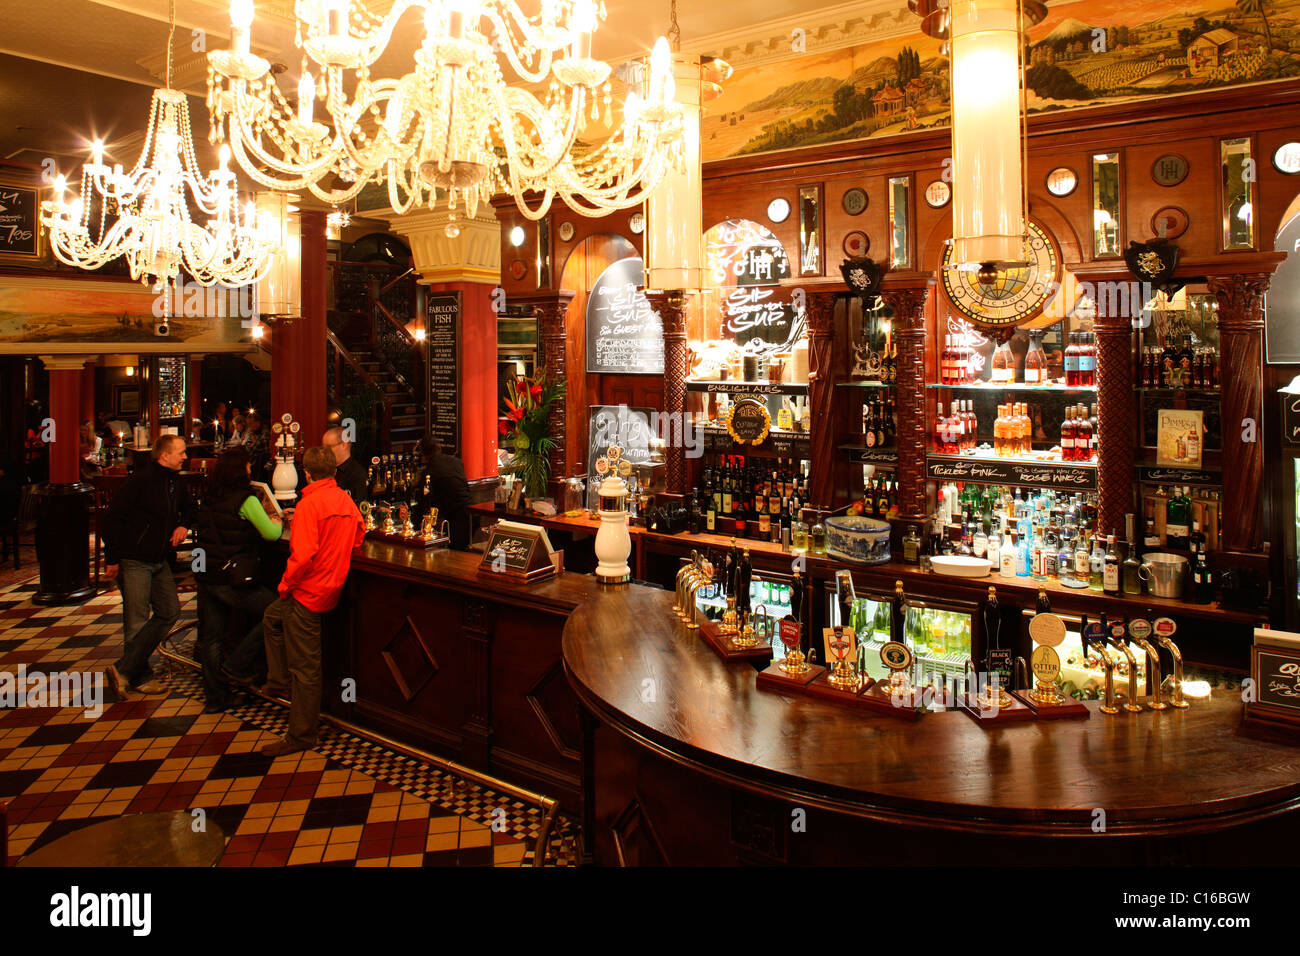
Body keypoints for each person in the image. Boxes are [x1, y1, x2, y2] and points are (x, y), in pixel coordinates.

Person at [260, 445, 364, 756]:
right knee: (270, 618)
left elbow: (302, 554)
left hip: (305, 593)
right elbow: (359, 535)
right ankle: (276, 680)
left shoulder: (310, 505)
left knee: (305, 669)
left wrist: (286, 583)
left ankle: (301, 735)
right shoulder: (344, 500)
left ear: (306, 473)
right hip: (332, 589)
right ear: (334, 471)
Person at [192, 446, 284, 713]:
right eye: (246, 465)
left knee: (212, 638)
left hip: (206, 573)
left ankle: (215, 698)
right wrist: (276, 520)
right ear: (241, 470)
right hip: (232, 577)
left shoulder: (210, 496)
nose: (249, 469)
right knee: (275, 611)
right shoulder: (246, 499)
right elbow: (270, 534)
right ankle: (236, 666)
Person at [102, 435, 193, 696]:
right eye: (181, 453)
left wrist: (183, 524)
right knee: (137, 622)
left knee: (170, 611)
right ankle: (138, 676)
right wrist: (112, 557)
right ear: (164, 455)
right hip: (134, 559)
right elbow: (112, 519)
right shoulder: (140, 481)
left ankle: (123, 669)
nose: (185, 457)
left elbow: (188, 509)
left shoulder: (177, 481)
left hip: (159, 558)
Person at [412, 436, 471, 550]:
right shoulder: (456, 461)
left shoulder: (429, 470)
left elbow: (424, 500)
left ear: (423, 455)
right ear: (439, 447)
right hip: (469, 513)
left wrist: (415, 525)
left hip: (452, 519)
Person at [322, 426, 368, 503]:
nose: (325, 452)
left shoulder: (357, 474)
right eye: (324, 447)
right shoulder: (325, 470)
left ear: (344, 444)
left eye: (329, 447)